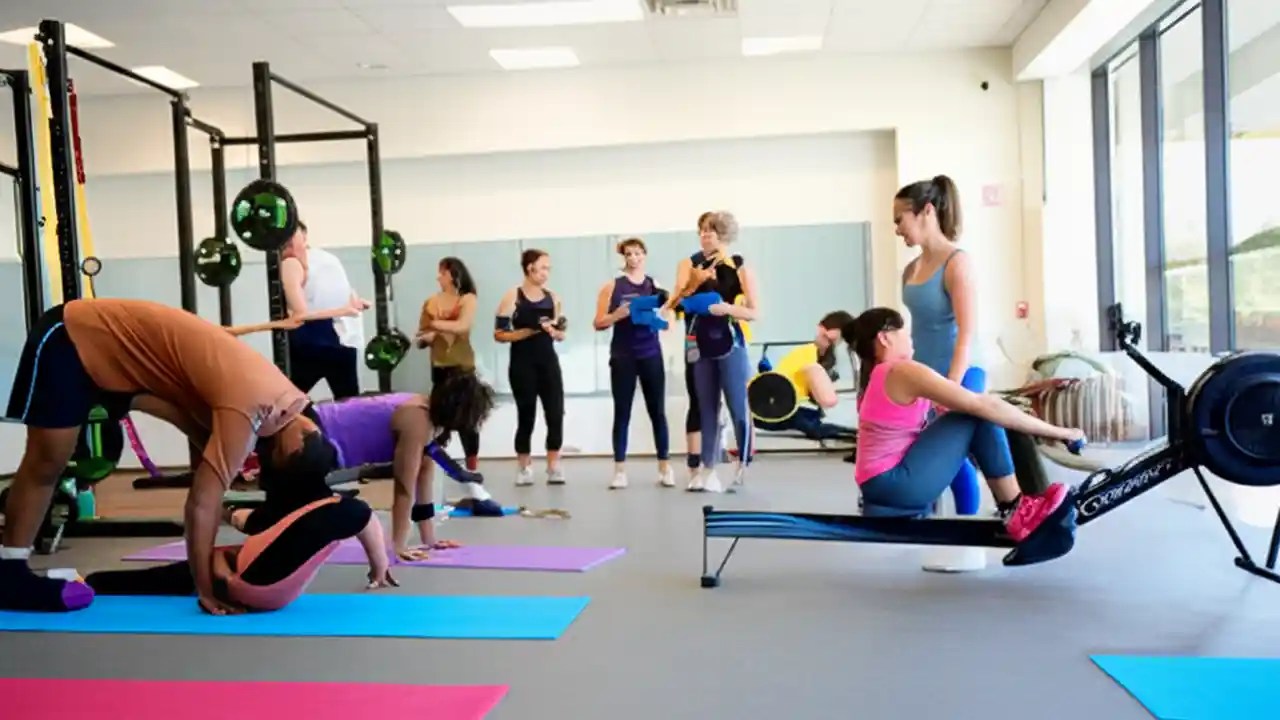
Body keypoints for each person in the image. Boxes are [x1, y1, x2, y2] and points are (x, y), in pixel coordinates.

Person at [0, 298, 329, 615]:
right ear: (295, 445)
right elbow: (202, 502)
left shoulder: (294, 405)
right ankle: (10, 573)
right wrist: (204, 587)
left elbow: (200, 442)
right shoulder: (252, 408)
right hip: (71, 336)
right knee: (48, 462)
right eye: (276, 459)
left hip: (123, 372)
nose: (264, 455)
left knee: (199, 442)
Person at [844, 307, 1080, 543]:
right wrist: (1061, 432)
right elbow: (981, 405)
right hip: (894, 484)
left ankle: (1019, 506)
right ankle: (1018, 511)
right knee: (980, 413)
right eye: (903, 330)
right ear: (885, 337)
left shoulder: (876, 376)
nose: (910, 336)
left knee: (980, 411)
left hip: (879, 484)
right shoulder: (902, 371)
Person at [85, 476, 397, 612]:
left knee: (170, 576)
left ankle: (95, 582)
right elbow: (366, 519)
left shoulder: (285, 520)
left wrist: (220, 576)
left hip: (248, 585)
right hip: (276, 594)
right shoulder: (341, 510)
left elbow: (226, 559)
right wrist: (378, 568)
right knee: (181, 574)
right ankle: (97, 582)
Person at [300, 372, 500, 561]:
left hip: (319, 435)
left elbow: (424, 479)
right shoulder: (417, 419)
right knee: (305, 511)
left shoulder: (428, 418)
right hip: (313, 434)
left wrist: (429, 539)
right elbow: (404, 487)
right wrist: (398, 546)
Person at [668, 211, 758, 494]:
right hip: (700, 343)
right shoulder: (689, 264)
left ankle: (742, 464)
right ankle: (707, 469)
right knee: (706, 408)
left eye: (713, 230)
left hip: (732, 343)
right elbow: (675, 303)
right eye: (702, 230)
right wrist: (695, 282)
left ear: (724, 235)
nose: (706, 235)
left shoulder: (740, 267)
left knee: (738, 407)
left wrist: (728, 309)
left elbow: (755, 311)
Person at [593, 237, 674, 490]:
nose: (634, 258)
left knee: (657, 411)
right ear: (624, 258)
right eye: (629, 254)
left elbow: (667, 318)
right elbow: (598, 322)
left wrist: (659, 315)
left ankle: (664, 466)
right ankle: (619, 470)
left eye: (638, 253)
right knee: (622, 412)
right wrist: (619, 314)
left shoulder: (654, 285)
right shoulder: (612, 286)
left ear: (644, 255)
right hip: (623, 355)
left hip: (650, 353)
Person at [495, 249, 567, 486]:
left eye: (549, 268)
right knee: (526, 415)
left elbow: (562, 332)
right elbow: (499, 334)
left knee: (555, 413)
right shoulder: (512, 297)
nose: (547, 272)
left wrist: (553, 331)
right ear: (530, 268)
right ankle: (524, 466)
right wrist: (525, 333)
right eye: (543, 267)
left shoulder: (553, 297)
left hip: (548, 362)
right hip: (522, 363)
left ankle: (554, 465)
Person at [281, 221, 372, 399]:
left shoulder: (322, 261)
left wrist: (349, 307)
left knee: (288, 402)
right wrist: (344, 310)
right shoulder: (297, 263)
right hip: (330, 337)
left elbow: (345, 294)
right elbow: (302, 313)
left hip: (330, 337)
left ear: (304, 236)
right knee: (289, 401)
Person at [416, 257, 481, 472]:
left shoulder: (467, 299)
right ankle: (435, 464)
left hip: (462, 367)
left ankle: (472, 467)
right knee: (438, 420)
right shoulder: (430, 302)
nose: (438, 277)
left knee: (467, 421)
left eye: (442, 273)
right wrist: (427, 337)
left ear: (453, 275)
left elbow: (463, 326)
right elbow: (422, 334)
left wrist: (435, 325)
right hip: (440, 367)